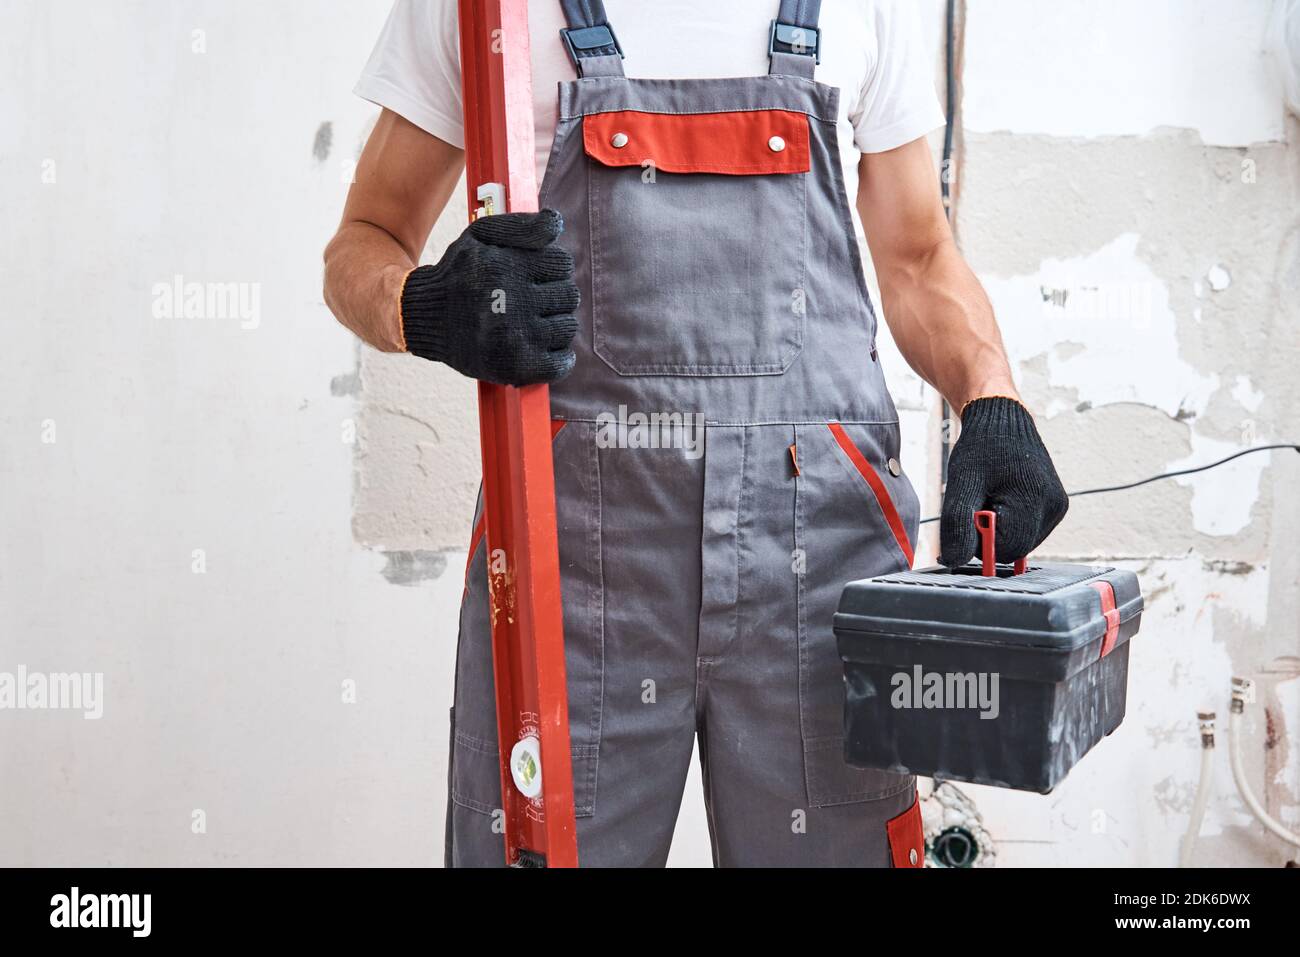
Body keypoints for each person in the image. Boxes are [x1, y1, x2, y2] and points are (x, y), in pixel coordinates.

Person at [323, 0, 1068, 867]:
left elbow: (917, 255)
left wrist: (992, 397)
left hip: (822, 574)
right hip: (572, 568)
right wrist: (425, 305)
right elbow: (362, 241)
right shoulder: (484, 12)